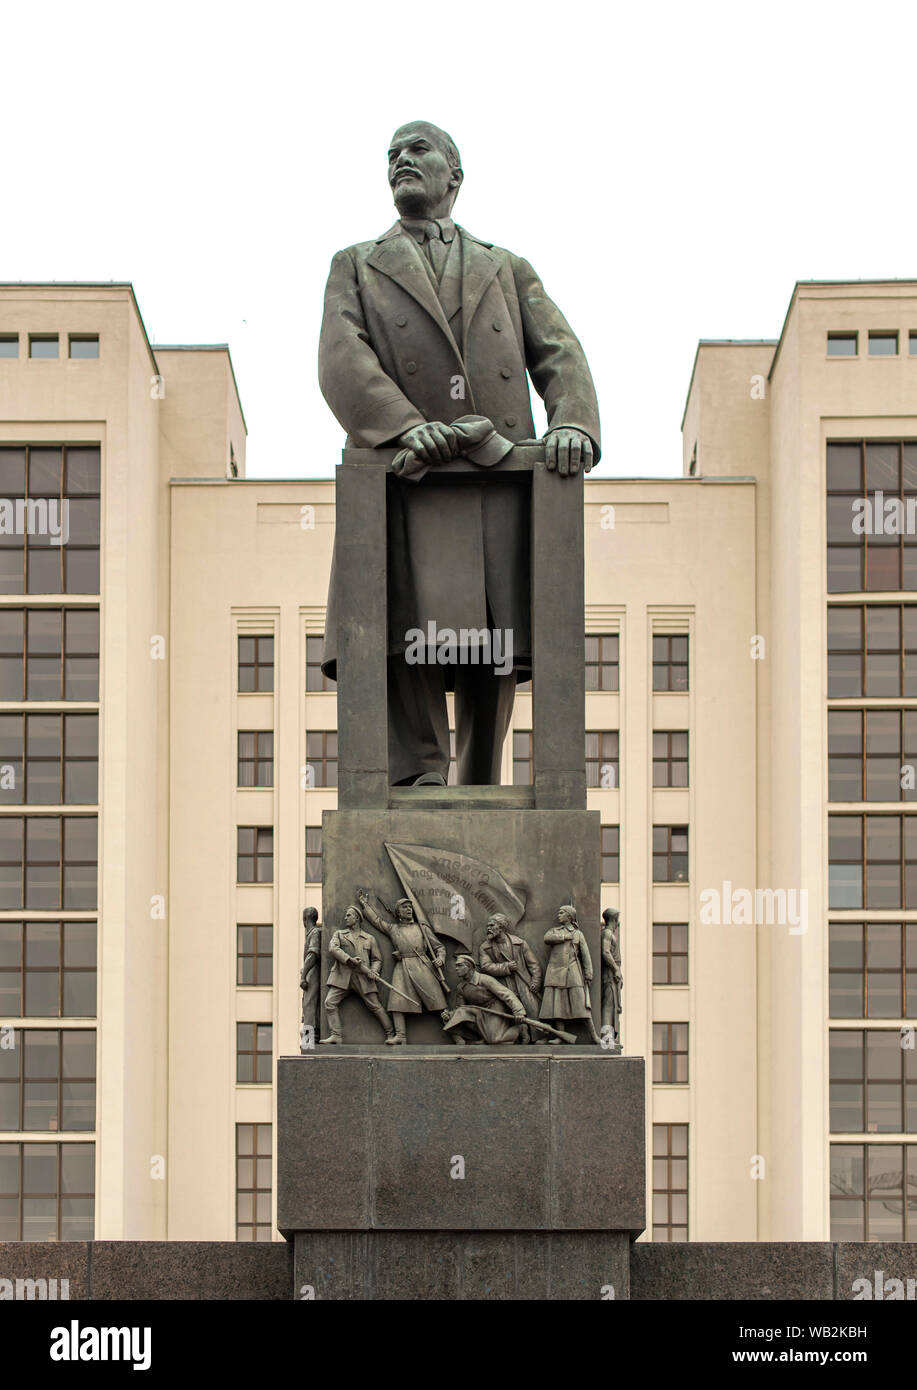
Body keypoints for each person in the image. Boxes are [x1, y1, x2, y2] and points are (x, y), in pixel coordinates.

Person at [319, 120, 601, 786]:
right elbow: (341, 357)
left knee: (491, 631)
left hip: (494, 477)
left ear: (455, 174)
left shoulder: (504, 265)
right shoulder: (355, 262)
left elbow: (558, 351)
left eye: (416, 150)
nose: (399, 162)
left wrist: (573, 425)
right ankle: (416, 783)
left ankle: (479, 781)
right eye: (391, 155)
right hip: (407, 480)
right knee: (404, 626)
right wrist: (402, 425)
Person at [357, 892, 447, 1044]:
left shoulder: (422, 928)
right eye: (404, 907)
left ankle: (457, 1036)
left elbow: (439, 947)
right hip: (403, 967)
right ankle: (400, 1036)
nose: (408, 909)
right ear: (398, 912)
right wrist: (365, 905)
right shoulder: (394, 929)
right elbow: (377, 921)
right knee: (397, 1002)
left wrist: (440, 958)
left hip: (423, 966)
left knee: (438, 1001)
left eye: (410, 907)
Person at [321, 905, 396, 1045]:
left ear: (356, 918)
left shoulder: (369, 938)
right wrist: (349, 960)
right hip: (342, 976)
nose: (346, 918)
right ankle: (336, 1035)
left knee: (375, 1006)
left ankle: (391, 1034)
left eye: (348, 915)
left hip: (363, 977)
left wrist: (374, 971)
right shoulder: (339, 934)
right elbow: (333, 948)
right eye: (346, 915)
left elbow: (377, 959)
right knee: (329, 1003)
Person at [539, 905, 601, 1043]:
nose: (558, 915)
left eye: (562, 913)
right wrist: (565, 937)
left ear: (569, 916)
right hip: (555, 972)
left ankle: (594, 1036)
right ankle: (561, 1037)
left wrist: (588, 973)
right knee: (558, 1007)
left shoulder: (578, 934)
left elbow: (586, 955)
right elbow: (547, 938)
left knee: (582, 1005)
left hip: (572, 971)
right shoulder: (555, 931)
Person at [477, 912, 542, 1042]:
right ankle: (519, 1036)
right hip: (502, 986)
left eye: (492, 925)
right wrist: (506, 967)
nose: (488, 928)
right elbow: (485, 966)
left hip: (523, 984)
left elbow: (533, 964)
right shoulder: (485, 947)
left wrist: (536, 981)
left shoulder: (519, 943)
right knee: (509, 1013)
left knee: (532, 1010)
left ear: (501, 927)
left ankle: (540, 1036)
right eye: (487, 925)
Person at [441, 954, 527, 1045]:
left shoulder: (485, 980)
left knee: (495, 1040)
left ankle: (520, 1028)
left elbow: (506, 994)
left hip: (494, 1009)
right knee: (452, 1017)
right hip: (479, 1012)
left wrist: (519, 1011)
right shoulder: (461, 987)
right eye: (456, 966)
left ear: (469, 967)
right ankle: (466, 1040)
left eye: (460, 965)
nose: (456, 969)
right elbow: (461, 1008)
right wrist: (449, 1015)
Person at [299, 907, 322, 1045]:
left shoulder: (314, 933)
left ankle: (309, 1042)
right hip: (311, 972)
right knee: (310, 1005)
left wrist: (304, 975)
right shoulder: (312, 933)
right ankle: (311, 1039)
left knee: (309, 1005)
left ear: (305, 919)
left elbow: (313, 954)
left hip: (312, 973)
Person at [601, 908, 623, 1044]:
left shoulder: (607, 933)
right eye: (617, 920)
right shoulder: (607, 933)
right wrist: (616, 969)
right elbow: (605, 952)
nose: (618, 923)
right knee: (609, 1006)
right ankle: (607, 1038)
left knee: (613, 1006)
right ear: (614, 920)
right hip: (609, 975)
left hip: (612, 974)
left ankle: (609, 1037)